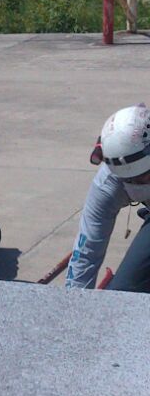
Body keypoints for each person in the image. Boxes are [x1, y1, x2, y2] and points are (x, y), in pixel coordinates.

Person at [66, 104, 150, 291]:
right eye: (129, 180)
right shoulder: (110, 180)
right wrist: (73, 307)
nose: (135, 185)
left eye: (143, 178)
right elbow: (86, 253)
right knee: (124, 294)